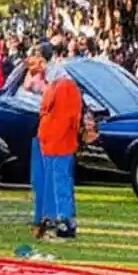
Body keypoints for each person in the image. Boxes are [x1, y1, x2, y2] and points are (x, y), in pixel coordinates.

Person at [34, 58, 83, 240]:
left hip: (57, 144)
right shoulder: (61, 86)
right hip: (54, 143)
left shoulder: (63, 87)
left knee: (59, 183)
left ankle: (64, 220)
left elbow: (64, 119)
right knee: (58, 183)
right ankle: (59, 219)